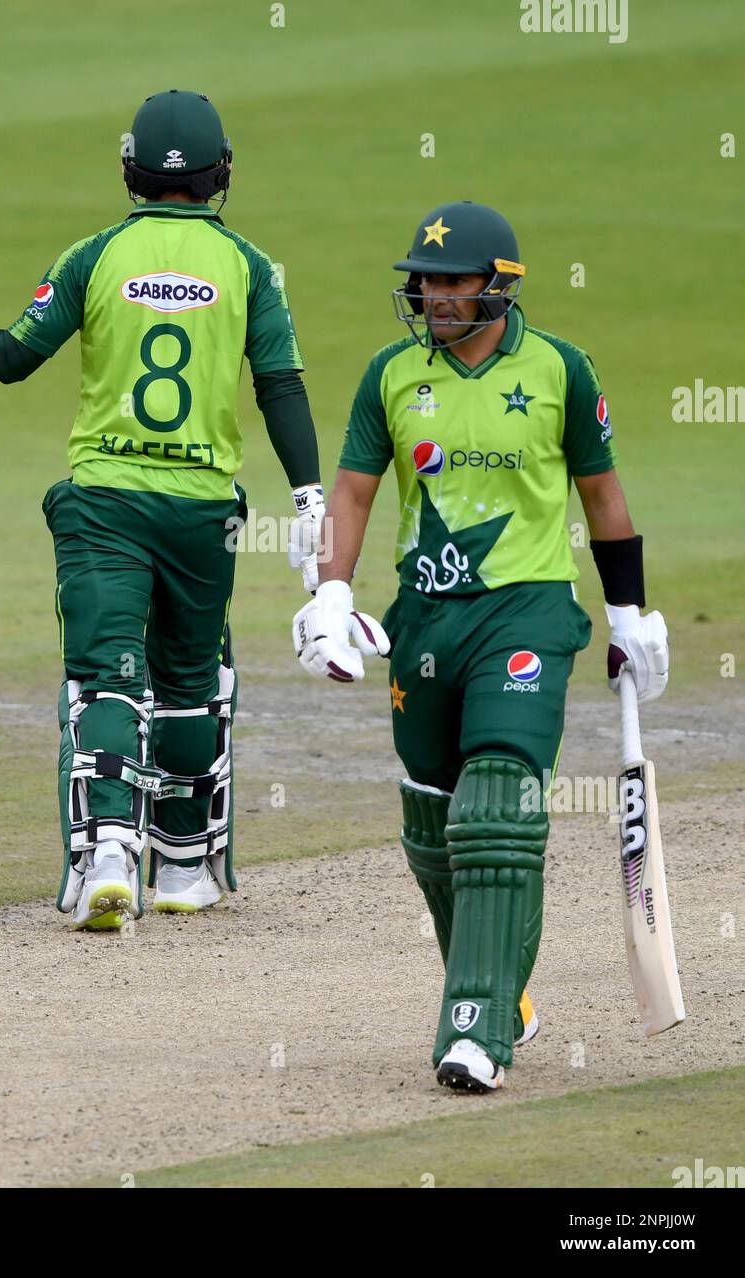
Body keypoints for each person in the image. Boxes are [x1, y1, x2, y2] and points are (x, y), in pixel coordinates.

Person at [0, 89, 324, 929]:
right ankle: (186, 868)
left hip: (106, 505)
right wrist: (307, 497)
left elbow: (10, 359)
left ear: (130, 171)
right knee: (191, 685)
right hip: (203, 510)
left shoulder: (94, 256)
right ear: (222, 173)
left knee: (107, 674)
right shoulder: (250, 268)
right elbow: (281, 387)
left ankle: (111, 850)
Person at [293, 200, 668, 1091]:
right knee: (434, 823)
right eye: (422, 283)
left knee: (494, 804)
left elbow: (601, 495)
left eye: (450, 282)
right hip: (424, 617)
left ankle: (474, 1028)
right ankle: (508, 994)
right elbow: (350, 493)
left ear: (498, 285)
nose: (431, 297)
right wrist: (333, 592)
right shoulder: (390, 373)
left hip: (527, 613)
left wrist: (628, 616)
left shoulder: (559, 370)